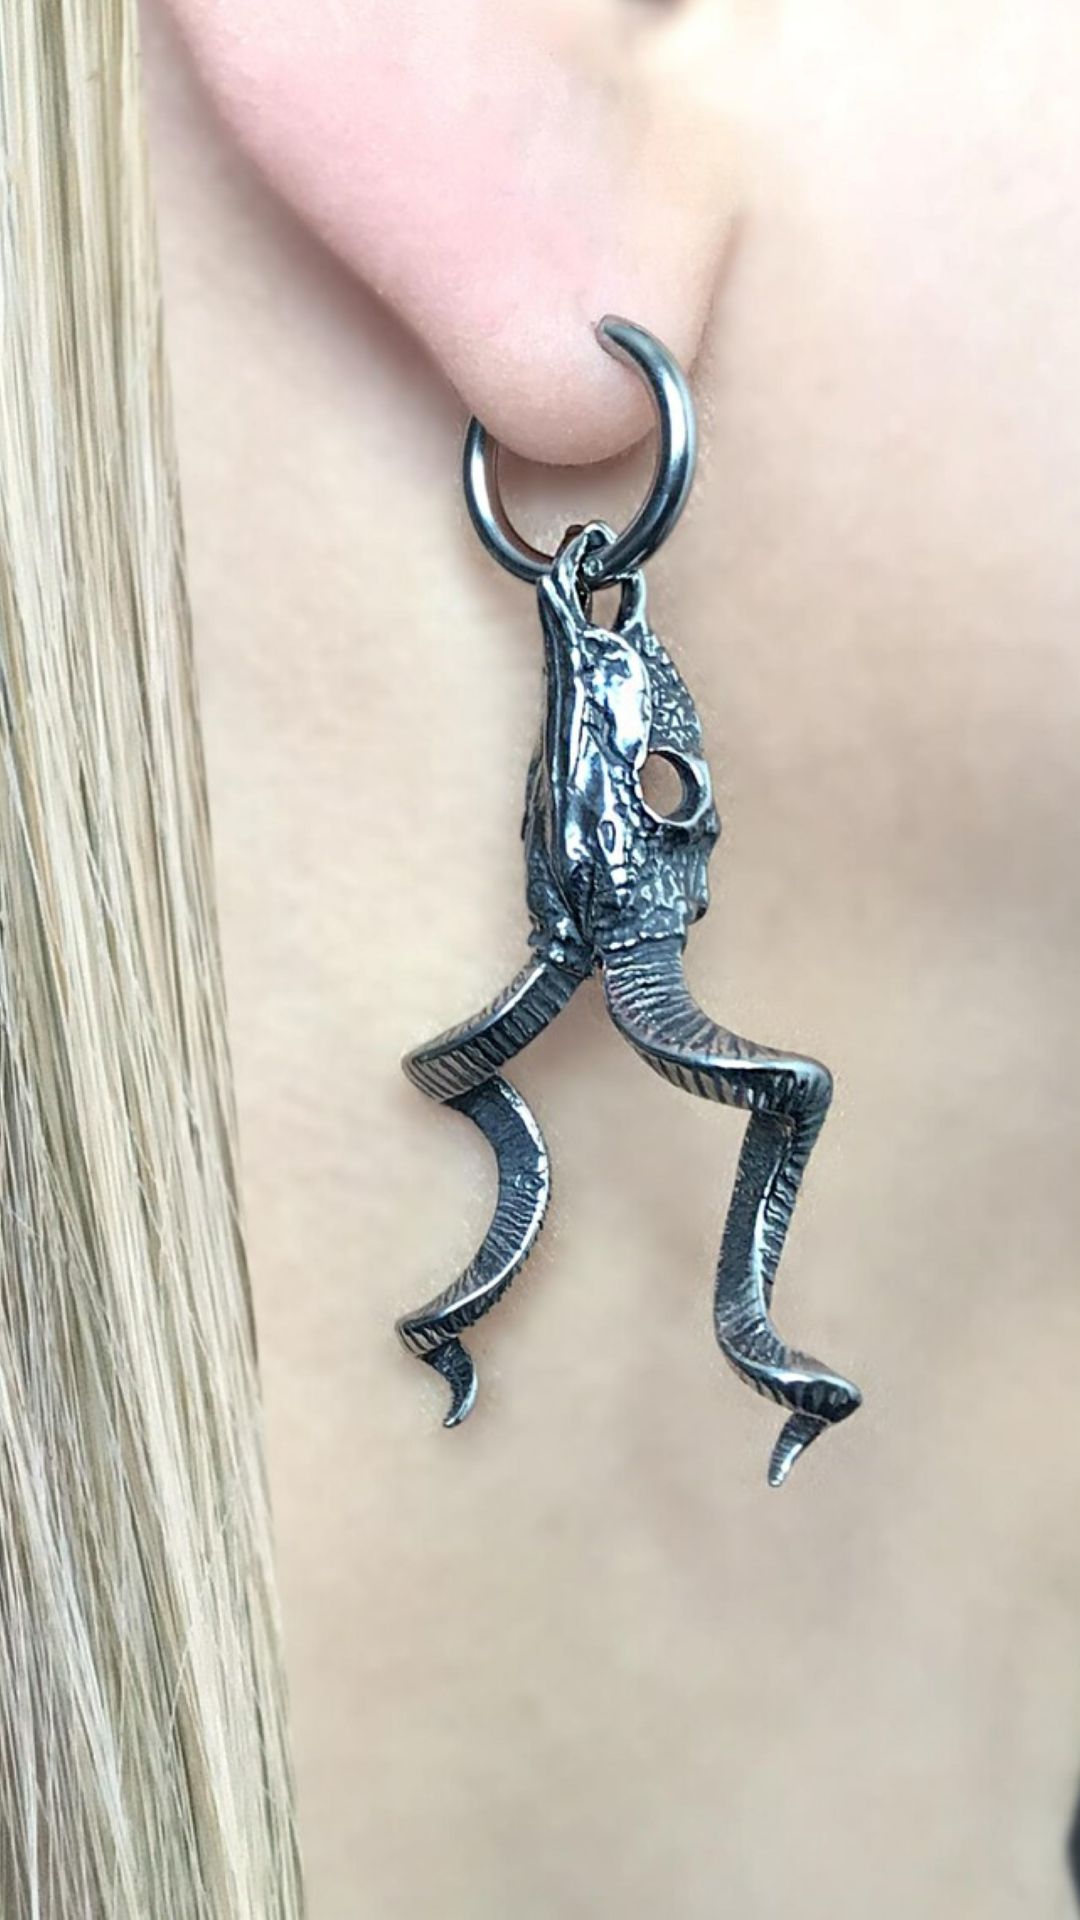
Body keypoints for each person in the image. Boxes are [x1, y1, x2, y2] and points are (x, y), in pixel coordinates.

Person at [151, 4, 1080, 1916]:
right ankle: (727, 1349)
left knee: (649, 1086)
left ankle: (721, 1347)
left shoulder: (615, 680)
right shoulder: (611, 688)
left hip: (614, 933)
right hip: (613, 935)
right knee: (732, 1088)